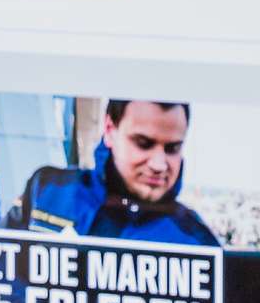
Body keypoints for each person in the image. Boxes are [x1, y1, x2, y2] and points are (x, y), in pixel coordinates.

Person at [15, 99, 220, 246]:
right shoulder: (47, 190)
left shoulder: (195, 241)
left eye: (172, 148)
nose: (159, 165)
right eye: (143, 143)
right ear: (110, 130)